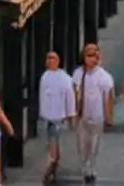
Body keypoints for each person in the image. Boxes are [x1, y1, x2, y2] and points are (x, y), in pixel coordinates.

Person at [71, 43, 115, 183]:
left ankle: (92, 165)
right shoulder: (78, 73)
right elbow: (74, 93)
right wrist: (73, 113)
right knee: (82, 143)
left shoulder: (104, 76)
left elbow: (108, 97)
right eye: (88, 55)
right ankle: (84, 165)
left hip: (97, 115)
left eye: (94, 55)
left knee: (94, 143)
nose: (91, 59)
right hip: (82, 114)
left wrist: (109, 116)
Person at [38, 52, 76, 184]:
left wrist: (71, 116)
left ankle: (51, 166)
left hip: (58, 116)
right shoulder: (45, 76)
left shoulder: (65, 78)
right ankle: (54, 161)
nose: (50, 61)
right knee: (51, 142)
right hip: (46, 116)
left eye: (52, 58)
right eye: (48, 58)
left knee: (53, 141)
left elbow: (70, 98)